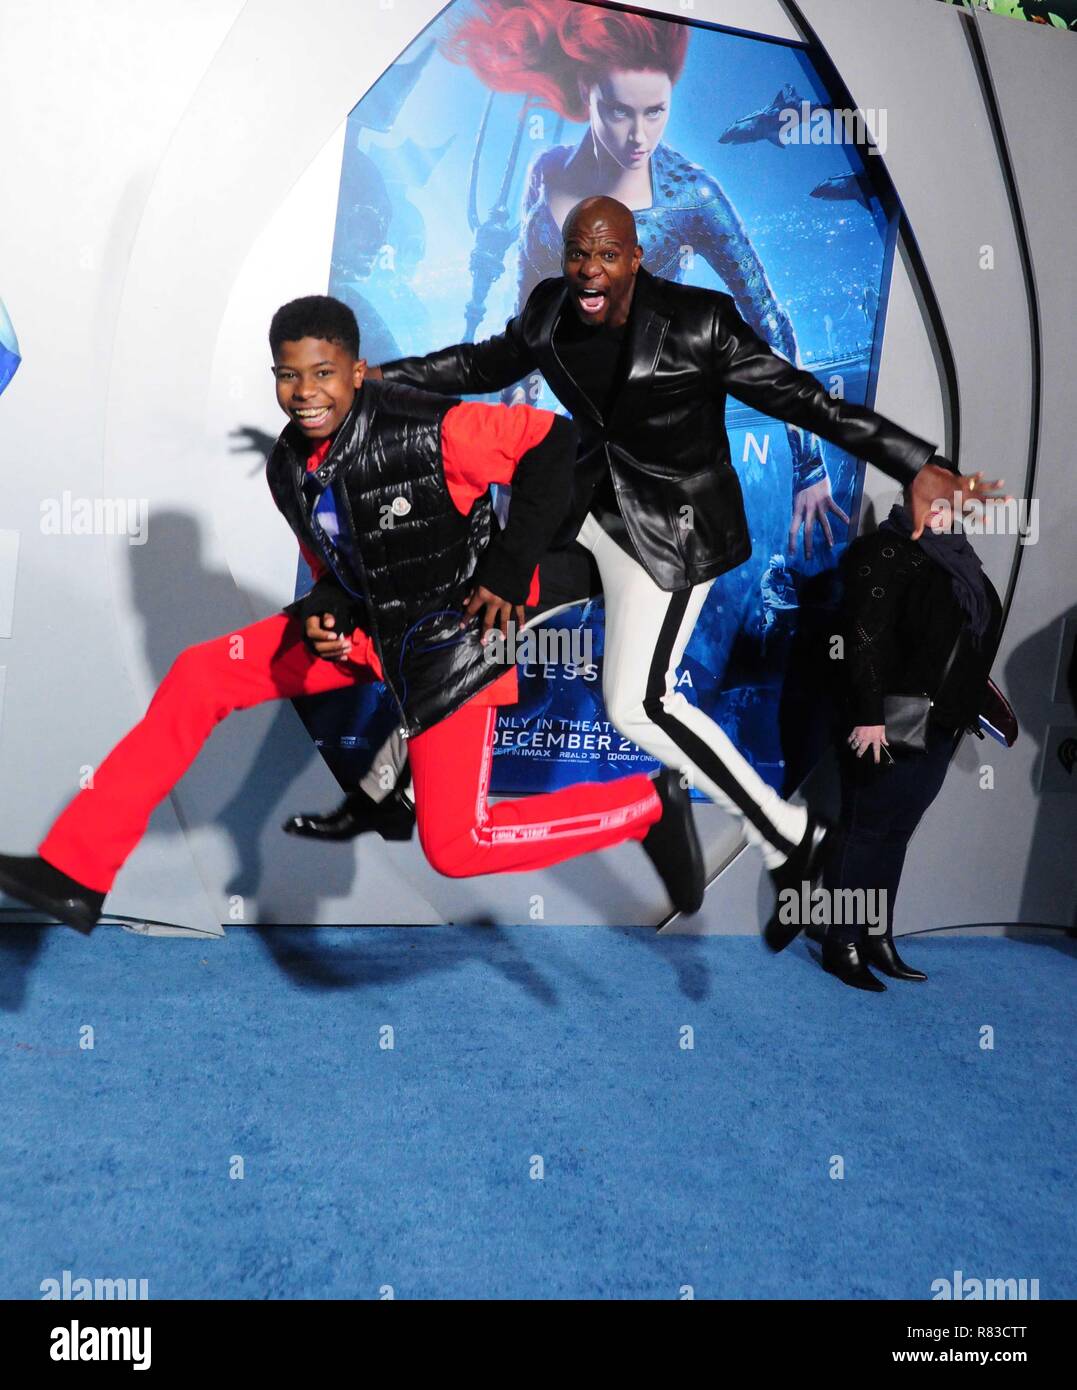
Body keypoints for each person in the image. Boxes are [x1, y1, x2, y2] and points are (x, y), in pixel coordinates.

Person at [284, 200, 1003, 934]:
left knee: (642, 703)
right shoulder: (549, 311)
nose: (587, 272)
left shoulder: (701, 323)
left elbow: (806, 401)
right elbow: (476, 365)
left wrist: (916, 460)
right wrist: (362, 386)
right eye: (576, 255)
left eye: (605, 256)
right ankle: (390, 785)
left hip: (669, 532)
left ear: (634, 259)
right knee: (470, 610)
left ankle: (788, 834)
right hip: (586, 515)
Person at [0, 295, 704, 931]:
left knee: (458, 848)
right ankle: (75, 872)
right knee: (200, 674)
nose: (304, 393)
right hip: (367, 636)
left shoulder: (433, 429)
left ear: (357, 371)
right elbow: (336, 562)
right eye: (287, 375)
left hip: (451, 642)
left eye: (323, 373)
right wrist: (324, 610)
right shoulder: (289, 467)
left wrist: (506, 569)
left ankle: (644, 809)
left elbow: (549, 444)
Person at [443, 0, 844, 552]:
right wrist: (515, 457)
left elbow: (770, 322)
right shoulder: (546, 171)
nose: (639, 135)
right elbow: (527, 331)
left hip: (659, 461)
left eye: (655, 112)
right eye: (619, 112)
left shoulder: (692, 197)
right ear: (588, 95)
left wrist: (808, 464)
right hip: (571, 451)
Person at [817, 477, 1004, 990]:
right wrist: (869, 715)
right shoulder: (885, 552)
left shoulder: (961, 561)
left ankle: (877, 936)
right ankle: (843, 941)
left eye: (949, 500)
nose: (941, 510)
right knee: (866, 828)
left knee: (896, 832)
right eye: (932, 499)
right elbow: (862, 641)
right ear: (910, 499)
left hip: (943, 723)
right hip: (890, 716)